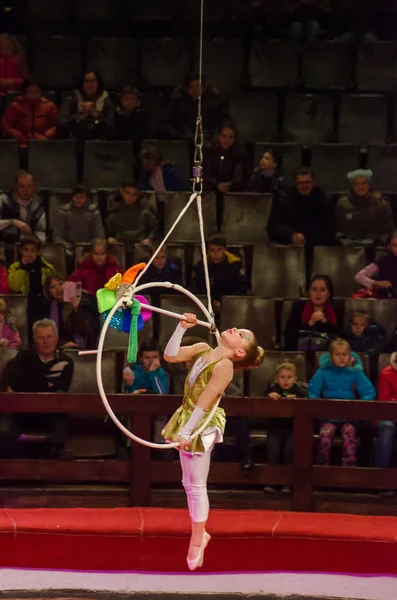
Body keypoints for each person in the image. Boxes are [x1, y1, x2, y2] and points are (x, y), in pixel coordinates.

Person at [162, 314, 264, 570]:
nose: (236, 328)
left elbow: (206, 398)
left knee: (197, 485)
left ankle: (198, 537)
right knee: (187, 483)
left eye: (242, 334)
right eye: (239, 328)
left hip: (202, 421)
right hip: (188, 415)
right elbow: (170, 356)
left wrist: (188, 431)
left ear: (239, 351)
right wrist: (180, 328)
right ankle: (199, 533)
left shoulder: (225, 367)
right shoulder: (202, 349)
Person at [0, 319, 74, 458]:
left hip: (50, 412)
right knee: (3, 431)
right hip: (21, 411)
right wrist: (45, 384)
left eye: (49, 337)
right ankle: (16, 470)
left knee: (62, 417)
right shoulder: (22, 357)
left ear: (56, 338)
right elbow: (9, 380)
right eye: (41, 337)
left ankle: (54, 465)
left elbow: (61, 389)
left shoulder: (66, 362)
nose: (46, 341)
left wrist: (25, 386)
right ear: (34, 340)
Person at [308, 338, 376, 466]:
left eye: (344, 354)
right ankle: (322, 466)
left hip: (349, 416)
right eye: (337, 355)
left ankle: (348, 467)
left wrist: (359, 405)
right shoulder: (323, 371)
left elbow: (369, 391)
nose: (341, 358)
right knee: (325, 435)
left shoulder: (355, 372)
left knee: (350, 435)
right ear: (331, 357)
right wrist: (318, 405)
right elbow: (313, 390)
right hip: (328, 416)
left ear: (350, 356)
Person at [264, 362, 307, 495]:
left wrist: (297, 399)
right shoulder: (272, 388)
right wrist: (270, 396)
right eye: (282, 377)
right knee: (273, 450)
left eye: (289, 377)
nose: (286, 380)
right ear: (277, 379)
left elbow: (307, 399)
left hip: (292, 428)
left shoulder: (299, 390)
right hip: (275, 428)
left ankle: (287, 483)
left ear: (295, 379)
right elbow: (262, 397)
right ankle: (272, 481)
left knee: (289, 451)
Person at [267, 167, 336, 247]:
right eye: (300, 183)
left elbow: (330, 231)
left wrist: (306, 238)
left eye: (307, 182)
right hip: (288, 248)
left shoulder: (324, 201)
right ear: (295, 183)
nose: (304, 186)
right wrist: (291, 235)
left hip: (316, 248)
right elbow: (273, 227)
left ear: (314, 182)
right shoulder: (284, 200)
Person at [123, 340, 170, 443]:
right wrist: (130, 384)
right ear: (141, 358)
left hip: (157, 408)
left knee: (161, 413)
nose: (151, 361)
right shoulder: (133, 373)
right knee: (134, 412)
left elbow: (162, 394)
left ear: (160, 358)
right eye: (147, 358)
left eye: (155, 357)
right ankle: (132, 446)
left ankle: (160, 447)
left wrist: (153, 373)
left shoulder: (163, 374)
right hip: (137, 406)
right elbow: (132, 395)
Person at [8, 235, 55, 336]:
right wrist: (23, 268)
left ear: (38, 251)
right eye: (26, 250)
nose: (29, 253)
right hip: (26, 306)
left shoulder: (47, 268)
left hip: (43, 305)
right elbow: (15, 286)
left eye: (33, 250)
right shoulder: (14, 268)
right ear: (20, 251)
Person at [192, 234, 248, 316]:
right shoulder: (201, 266)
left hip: (231, 306)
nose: (216, 253)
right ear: (207, 250)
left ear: (225, 249)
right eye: (212, 250)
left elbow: (240, 289)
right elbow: (199, 290)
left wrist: (225, 304)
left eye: (219, 250)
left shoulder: (235, 264)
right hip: (208, 306)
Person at [162, 73, 229, 141]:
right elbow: (165, 125)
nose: (196, 90)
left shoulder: (214, 103)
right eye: (192, 87)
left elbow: (225, 122)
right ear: (187, 90)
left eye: (198, 87)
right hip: (184, 141)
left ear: (203, 88)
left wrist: (212, 133)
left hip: (209, 141)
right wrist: (181, 134)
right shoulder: (178, 104)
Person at [41, 272, 98, 349]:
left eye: (60, 284)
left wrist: (76, 308)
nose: (58, 289)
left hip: (83, 347)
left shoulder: (84, 301)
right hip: (59, 348)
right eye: (52, 287)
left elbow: (89, 331)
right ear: (48, 292)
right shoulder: (48, 307)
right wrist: (62, 345)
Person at [336, 169, 393, 247]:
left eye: (364, 183)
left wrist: (378, 242)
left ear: (369, 184)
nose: (361, 187)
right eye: (356, 184)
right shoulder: (342, 204)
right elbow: (337, 228)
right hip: (349, 248)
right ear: (352, 186)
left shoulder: (381, 204)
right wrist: (342, 240)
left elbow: (388, 230)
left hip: (375, 247)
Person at [0, 171, 46, 263]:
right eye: (22, 186)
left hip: (30, 248)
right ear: (15, 186)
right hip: (4, 247)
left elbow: (41, 232)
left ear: (34, 186)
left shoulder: (39, 204)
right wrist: (13, 222)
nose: (26, 190)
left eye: (29, 186)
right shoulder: (4, 200)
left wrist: (32, 245)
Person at [52, 185, 105, 266]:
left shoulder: (94, 213)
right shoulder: (63, 212)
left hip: (89, 249)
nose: (78, 200)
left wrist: (88, 249)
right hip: (68, 250)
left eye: (82, 197)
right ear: (72, 197)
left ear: (87, 198)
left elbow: (99, 236)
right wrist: (70, 249)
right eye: (76, 196)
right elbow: (57, 236)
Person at [284, 274, 338, 351]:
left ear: (329, 294)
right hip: (301, 353)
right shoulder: (298, 307)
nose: (318, 293)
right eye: (314, 289)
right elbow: (289, 335)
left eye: (322, 290)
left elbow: (339, 339)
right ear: (309, 292)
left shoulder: (335, 309)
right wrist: (309, 324)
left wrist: (325, 322)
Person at [106, 181, 158, 260]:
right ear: (122, 192)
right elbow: (106, 229)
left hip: (139, 247)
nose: (130, 197)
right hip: (119, 248)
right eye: (128, 193)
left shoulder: (144, 212)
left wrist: (150, 238)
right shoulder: (115, 211)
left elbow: (156, 227)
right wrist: (109, 238)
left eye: (134, 195)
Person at [57, 69, 114, 141]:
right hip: (75, 138)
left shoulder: (106, 100)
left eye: (93, 81)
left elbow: (111, 127)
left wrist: (95, 114)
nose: (90, 85)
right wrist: (80, 116)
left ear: (98, 83)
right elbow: (61, 121)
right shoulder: (72, 98)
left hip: (99, 139)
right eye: (86, 81)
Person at [1, 78, 58, 147]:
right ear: (24, 92)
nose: (33, 94)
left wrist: (48, 135)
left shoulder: (49, 106)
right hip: (20, 142)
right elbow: (6, 124)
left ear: (41, 92)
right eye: (30, 92)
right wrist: (18, 135)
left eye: (36, 91)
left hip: (43, 142)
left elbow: (56, 125)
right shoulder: (15, 106)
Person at [203, 124, 250, 194]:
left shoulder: (238, 154)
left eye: (230, 137)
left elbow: (242, 178)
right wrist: (216, 185)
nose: (227, 140)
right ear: (218, 136)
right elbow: (199, 175)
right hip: (209, 192)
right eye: (224, 136)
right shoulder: (207, 152)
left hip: (232, 193)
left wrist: (229, 185)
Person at [374, 352, 397, 482]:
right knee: (387, 427)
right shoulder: (386, 374)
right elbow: (385, 401)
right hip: (386, 415)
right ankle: (380, 479)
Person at [355, 230, 397, 299]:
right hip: (387, 300)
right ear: (389, 246)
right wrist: (376, 283)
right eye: (395, 245)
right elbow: (359, 276)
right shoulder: (383, 261)